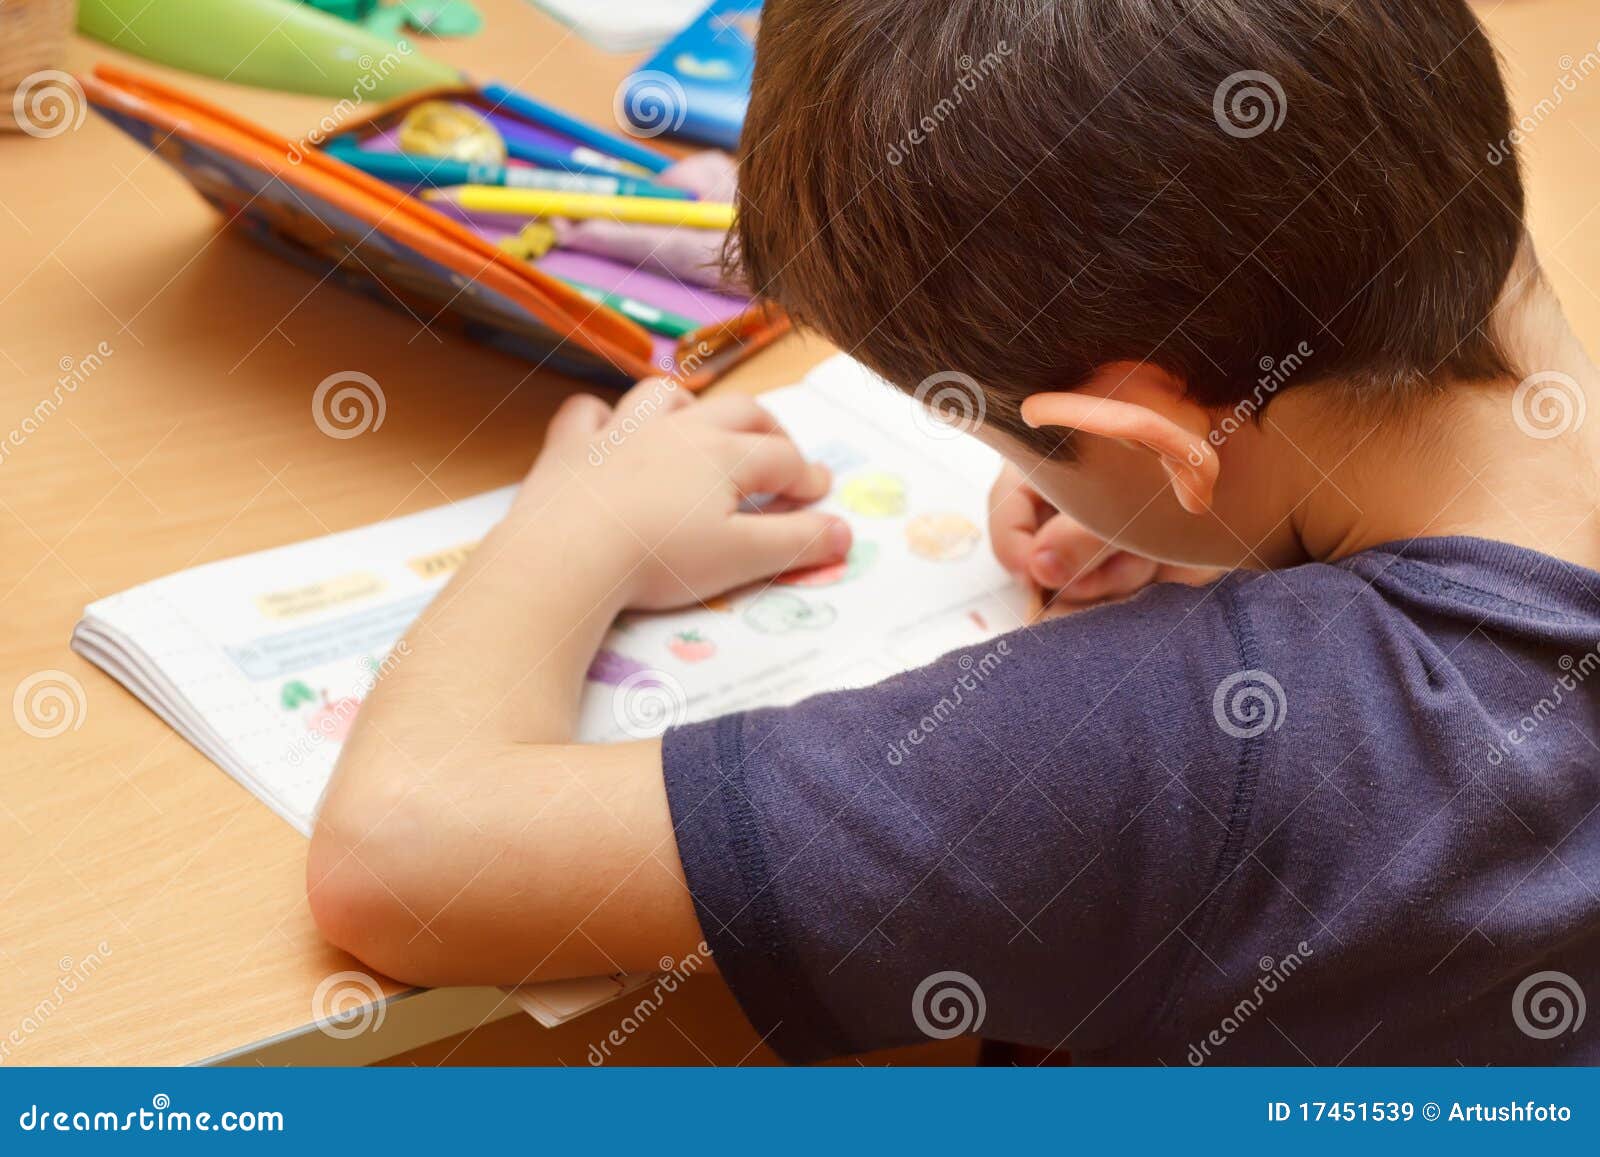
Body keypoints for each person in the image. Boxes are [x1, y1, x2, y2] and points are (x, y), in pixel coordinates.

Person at [309, 0, 1600, 1063]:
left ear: (1152, 430)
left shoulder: (1188, 745)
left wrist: (581, 519)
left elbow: (401, 856)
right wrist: (1226, 507)